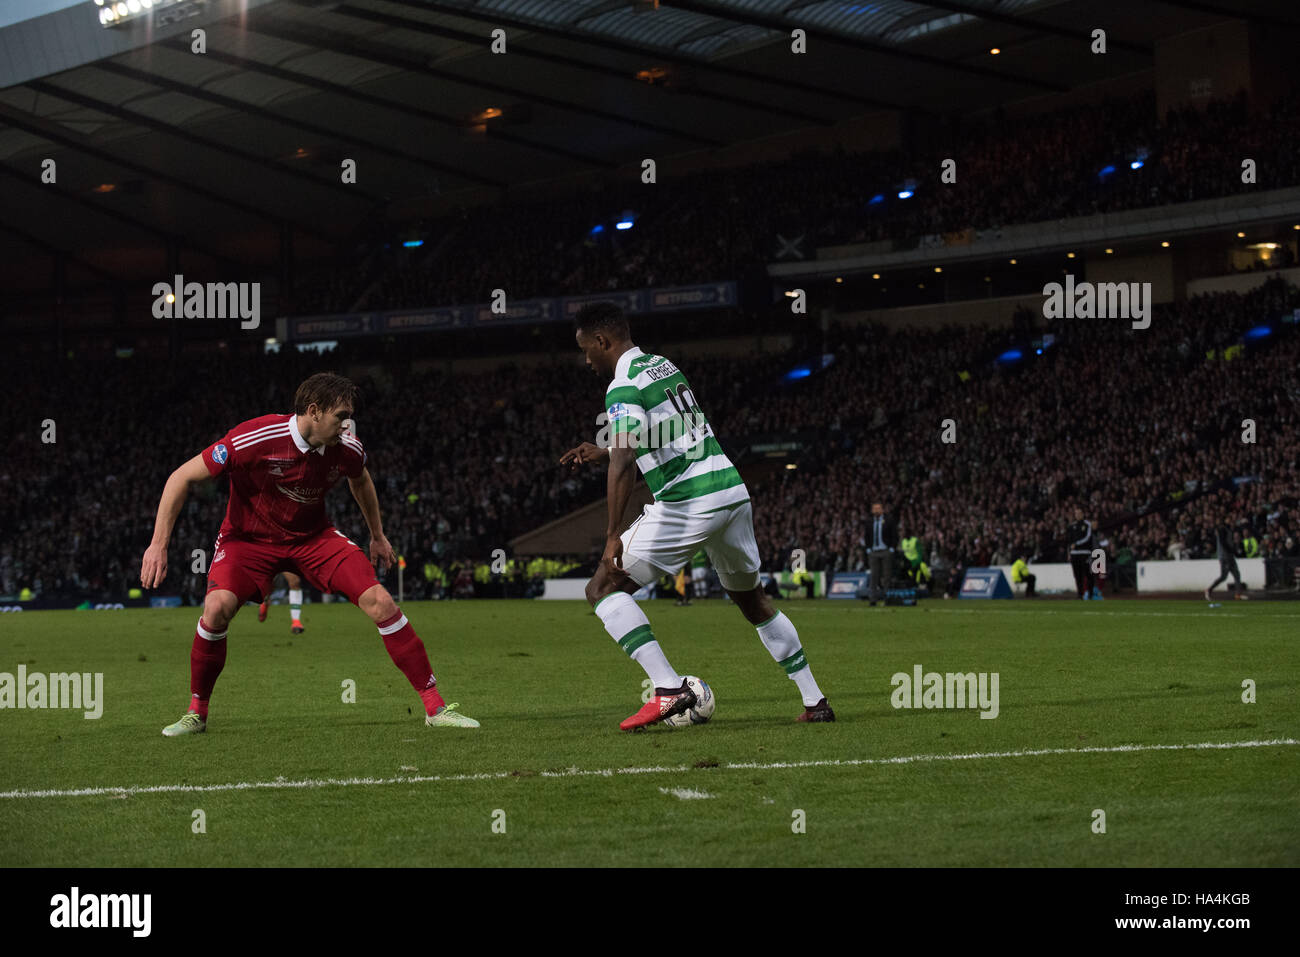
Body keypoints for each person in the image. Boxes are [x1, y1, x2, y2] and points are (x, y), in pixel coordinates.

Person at [140, 372, 479, 735]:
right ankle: (197, 712)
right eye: (341, 416)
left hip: (312, 539)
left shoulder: (347, 448)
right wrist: (158, 544)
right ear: (314, 411)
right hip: (248, 540)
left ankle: (435, 707)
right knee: (216, 608)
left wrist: (377, 535)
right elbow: (180, 477)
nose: (347, 424)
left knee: (381, 601)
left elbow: (360, 478)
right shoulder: (254, 438)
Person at [560, 303, 833, 729]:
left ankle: (669, 689)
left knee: (602, 588)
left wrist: (613, 533)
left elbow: (626, 461)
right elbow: (668, 433)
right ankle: (815, 701)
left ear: (601, 341)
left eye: (585, 350)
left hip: (689, 500)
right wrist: (603, 452)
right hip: (730, 491)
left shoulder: (622, 384)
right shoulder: (662, 366)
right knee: (754, 601)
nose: (586, 360)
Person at [1206, 522, 1249, 601]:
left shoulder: (1226, 531)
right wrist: (1232, 550)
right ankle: (1209, 590)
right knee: (1224, 576)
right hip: (1225, 557)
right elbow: (1224, 543)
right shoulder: (1223, 530)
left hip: (1228, 556)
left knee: (1236, 574)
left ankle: (1238, 594)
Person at [866, 502, 897, 605]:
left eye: (878, 508)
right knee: (874, 576)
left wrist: (892, 548)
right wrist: (868, 548)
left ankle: (887, 597)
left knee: (887, 575)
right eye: (874, 509)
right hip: (874, 551)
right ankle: (872, 599)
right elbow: (867, 535)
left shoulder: (889, 520)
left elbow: (894, 534)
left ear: (882, 510)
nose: (876, 510)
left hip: (885, 550)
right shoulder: (869, 521)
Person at [1065, 507, 1096, 600]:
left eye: (1079, 513)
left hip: (1085, 552)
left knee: (1088, 574)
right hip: (1074, 554)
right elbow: (1069, 541)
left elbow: (1088, 537)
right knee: (1077, 575)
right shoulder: (1071, 526)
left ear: (1083, 514)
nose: (1078, 515)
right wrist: (1069, 553)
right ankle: (1080, 594)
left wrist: (1077, 544)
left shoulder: (1087, 525)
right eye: (1076, 514)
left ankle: (1090, 594)